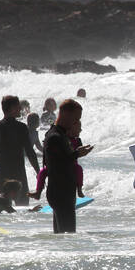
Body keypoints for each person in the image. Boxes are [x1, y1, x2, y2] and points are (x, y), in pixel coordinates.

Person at [42, 99, 91, 233]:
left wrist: (76, 154)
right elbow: (54, 164)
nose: (76, 122)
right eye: (75, 118)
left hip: (62, 191)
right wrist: (76, 154)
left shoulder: (61, 135)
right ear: (65, 114)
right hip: (60, 192)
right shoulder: (54, 136)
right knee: (68, 235)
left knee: (62, 238)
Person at [0, 95, 40, 207]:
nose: (20, 109)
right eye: (18, 106)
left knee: (2, 208)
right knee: (23, 206)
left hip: (1, 174)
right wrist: (38, 172)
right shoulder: (21, 128)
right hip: (18, 173)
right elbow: (30, 152)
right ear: (13, 108)